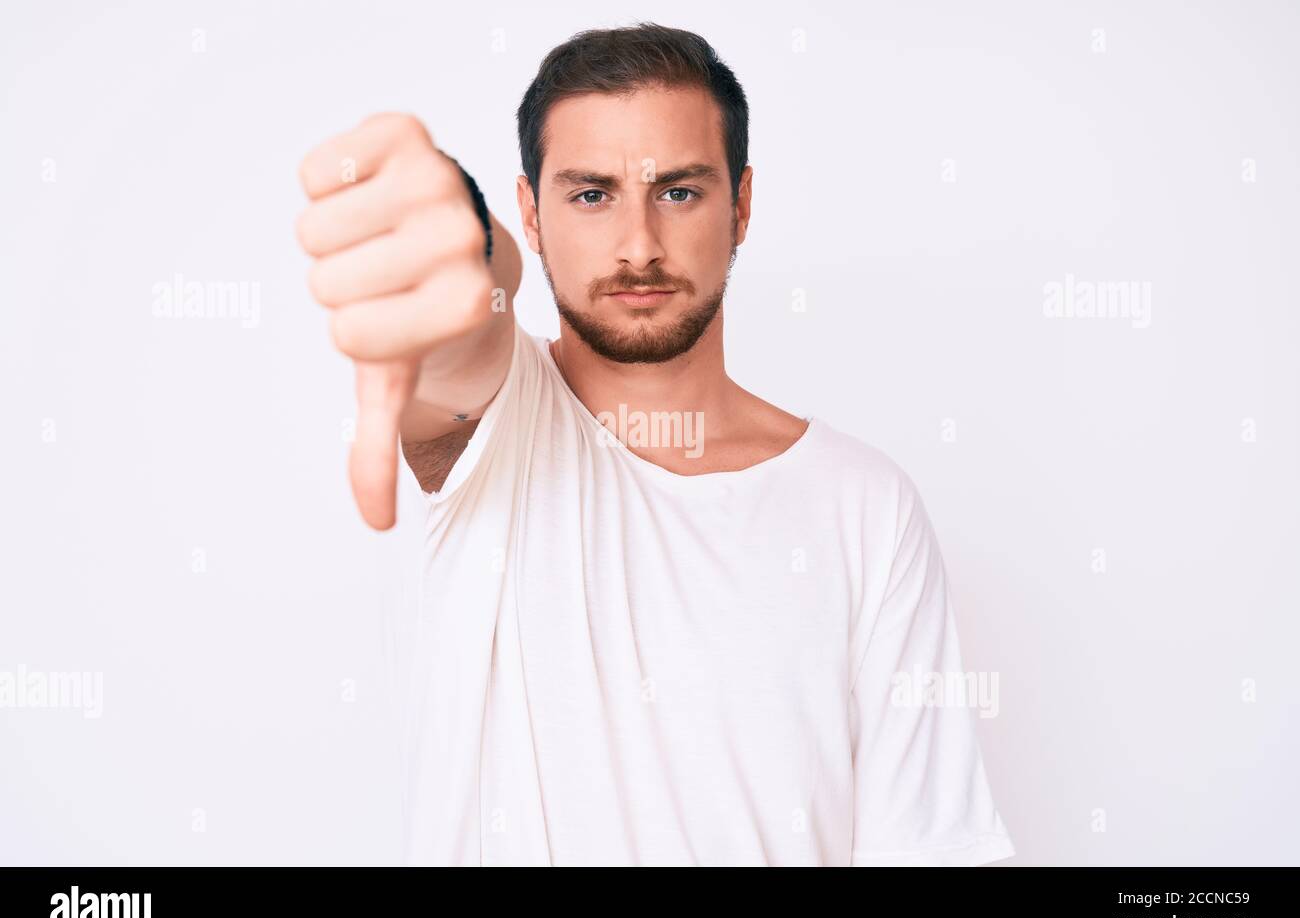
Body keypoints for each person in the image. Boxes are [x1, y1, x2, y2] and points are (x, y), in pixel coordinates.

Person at [295, 21, 1016, 866]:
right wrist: (463, 251)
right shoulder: (495, 429)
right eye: (591, 195)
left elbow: (928, 848)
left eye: (677, 191)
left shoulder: (866, 506)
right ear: (529, 212)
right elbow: (459, 349)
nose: (638, 246)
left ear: (742, 205)